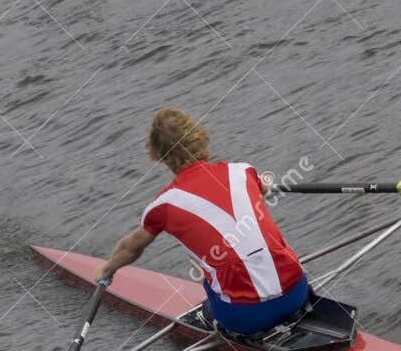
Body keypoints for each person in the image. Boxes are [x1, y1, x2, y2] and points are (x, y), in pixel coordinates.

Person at [96, 108, 309, 337]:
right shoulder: (243, 171)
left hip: (247, 318)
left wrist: (107, 270)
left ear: (158, 154)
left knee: (201, 260)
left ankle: (214, 317)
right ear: (199, 136)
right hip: (298, 293)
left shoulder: (163, 206)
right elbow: (263, 188)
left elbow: (131, 248)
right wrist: (262, 183)